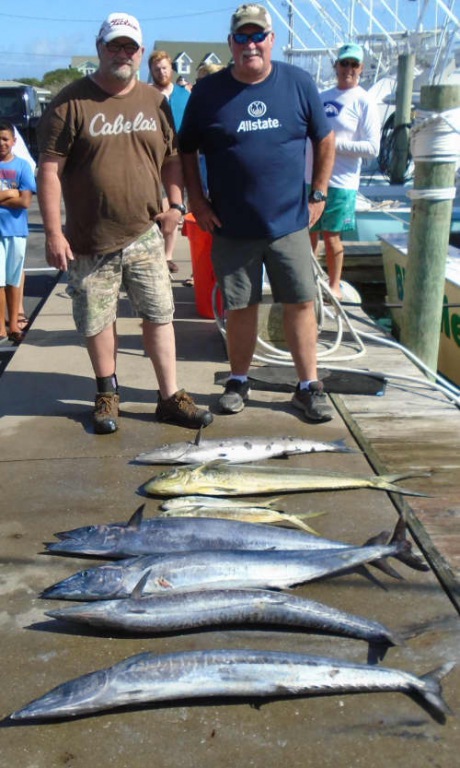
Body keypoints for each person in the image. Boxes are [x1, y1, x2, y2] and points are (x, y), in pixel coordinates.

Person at [36, 12, 212, 435]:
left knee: (159, 315)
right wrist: (54, 232)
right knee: (97, 320)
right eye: (114, 45)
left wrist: (175, 203)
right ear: (100, 48)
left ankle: (169, 397)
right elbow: (48, 171)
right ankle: (106, 392)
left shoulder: (155, 101)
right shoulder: (69, 102)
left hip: (145, 234)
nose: (122, 53)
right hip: (89, 238)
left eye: (130, 47)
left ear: (141, 52)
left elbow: (172, 159)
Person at [179, 3, 335, 423]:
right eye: (242, 37)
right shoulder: (209, 93)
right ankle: (239, 380)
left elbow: (325, 139)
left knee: (300, 302)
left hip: (288, 223)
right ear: (231, 43)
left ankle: (308, 386)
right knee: (240, 306)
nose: (251, 44)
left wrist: (318, 192)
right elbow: (186, 149)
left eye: (258, 36)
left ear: (271, 40)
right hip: (231, 225)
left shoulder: (298, 83)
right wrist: (197, 200)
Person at [308, 43, 381, 299]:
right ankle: (308, 281)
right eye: (344, 63)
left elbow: (372, 148)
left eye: (354, 64)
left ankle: (335, 285)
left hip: (341, 181)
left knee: (332, 237)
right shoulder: (321, 95)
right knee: (308, 232)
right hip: (311, 178)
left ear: (361, 68)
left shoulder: (364, 100)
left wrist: (333, 144)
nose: (348, 69)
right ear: (336, 65)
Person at [149, 50, 191, 275]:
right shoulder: (145, 95)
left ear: (171, 70)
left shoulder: (185, 94)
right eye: (156, 69)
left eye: (164, 68)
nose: (161, 72)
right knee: (158, 206)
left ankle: (167, 256)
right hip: (153, 158)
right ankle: (154, 254)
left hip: (180, 156)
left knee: (175, 206)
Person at [0, 119, 36, 344]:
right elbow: (16, 196)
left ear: (13, 141)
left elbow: (24, 202)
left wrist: (14, 196)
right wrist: (10, 194)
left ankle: (13, 324)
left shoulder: (22, 166)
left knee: (13, 280)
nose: (1, 143)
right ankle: (0, 328)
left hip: (16, 231)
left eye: (5, 139)